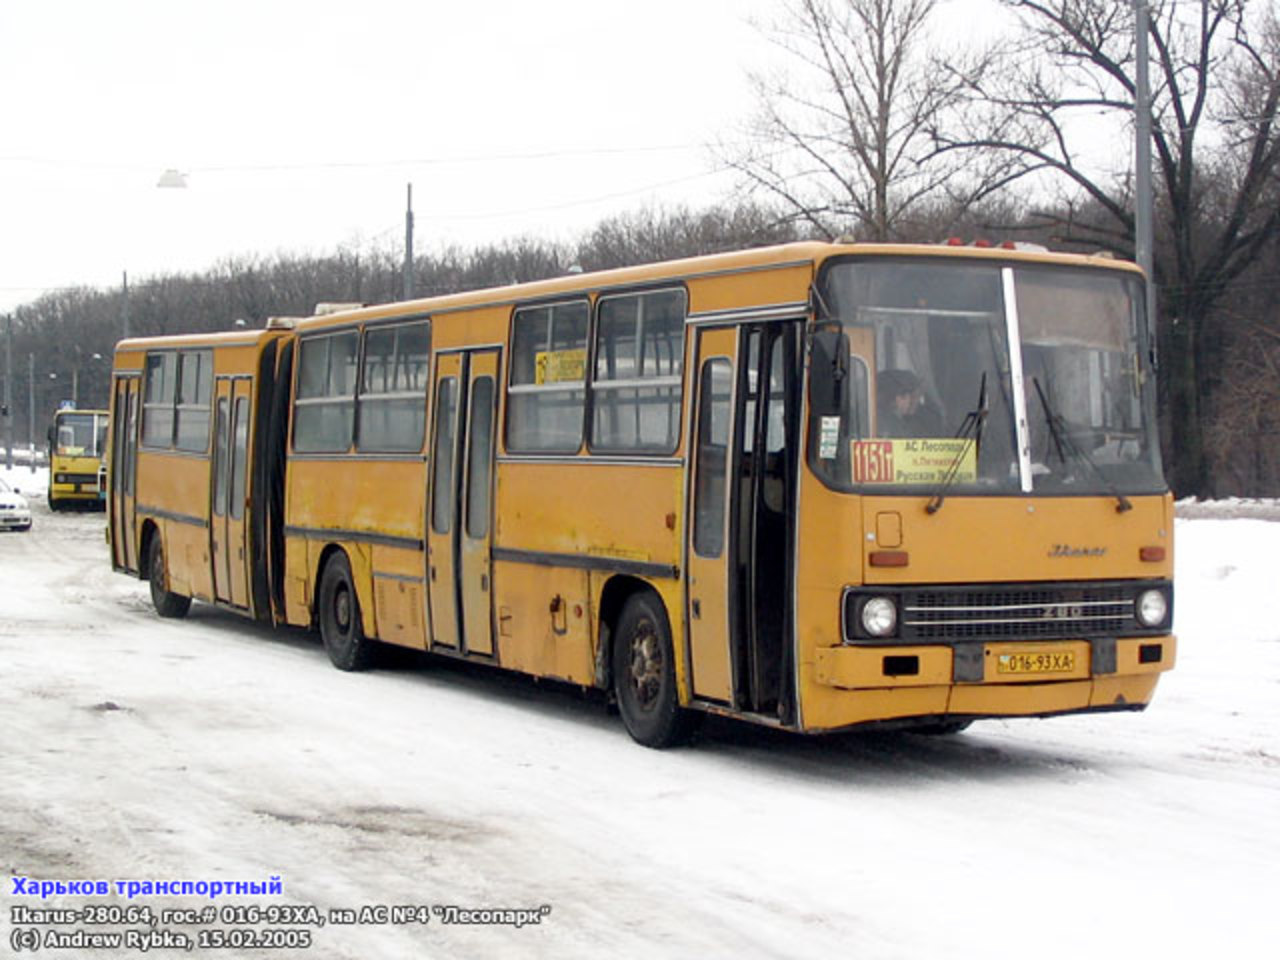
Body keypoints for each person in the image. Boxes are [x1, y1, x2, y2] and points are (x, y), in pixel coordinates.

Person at [876, 368, 944, 438]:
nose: (914, 402)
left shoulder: (924, 417)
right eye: (914, 396)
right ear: (899, 397)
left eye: (918, 396)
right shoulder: (884, 421)